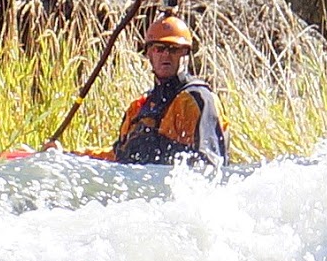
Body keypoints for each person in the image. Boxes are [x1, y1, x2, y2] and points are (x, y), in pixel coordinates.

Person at [52, 14, 229, 168]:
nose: (166, 55)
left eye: (174, 50)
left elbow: (211, 163)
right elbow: (116, 156)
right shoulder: (139, 107)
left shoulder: (198, 99)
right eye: (159, 49)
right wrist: (66, 156)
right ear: (149, 53)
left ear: (185, 54)